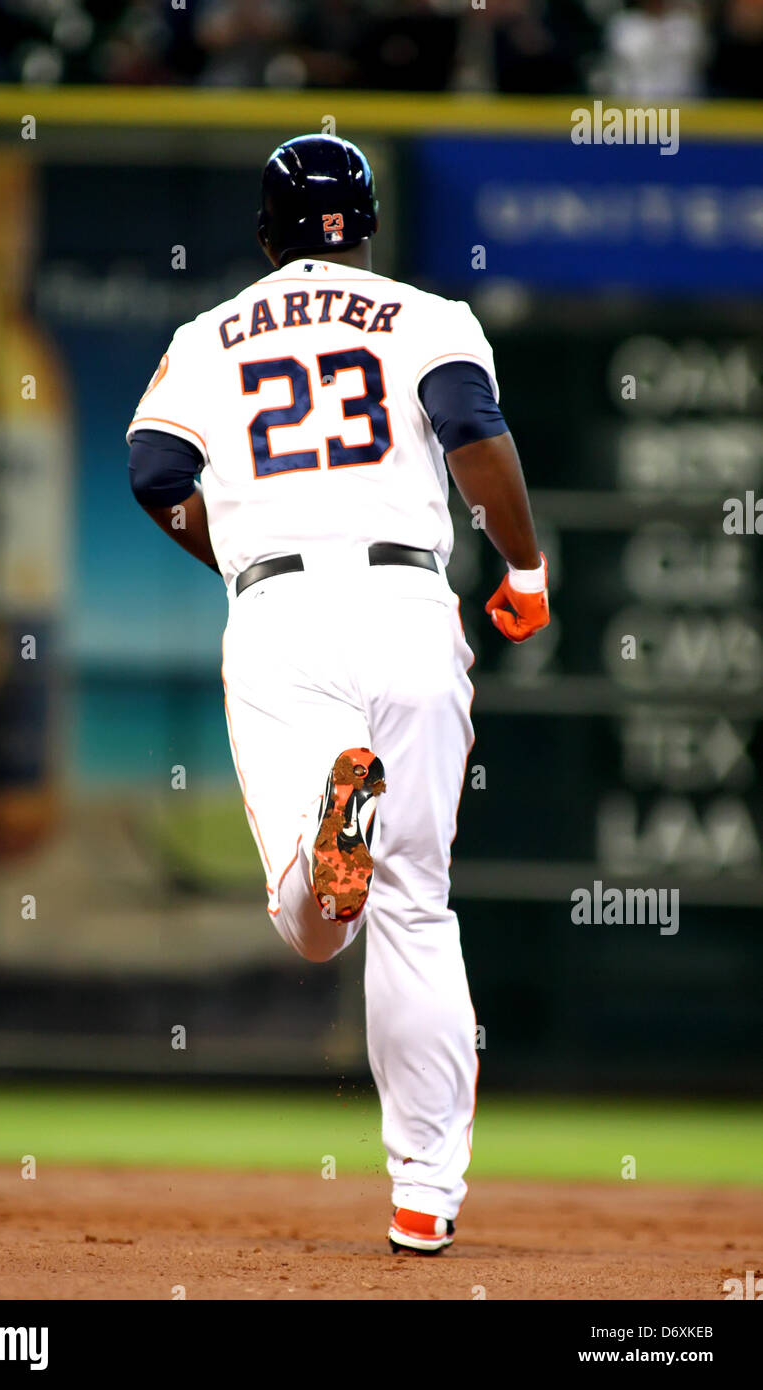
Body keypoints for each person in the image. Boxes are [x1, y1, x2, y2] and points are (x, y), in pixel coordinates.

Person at [127, 134, 549, 1253]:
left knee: (315, 931)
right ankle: (424, 1192)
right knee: (415, 904)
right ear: (361, 226)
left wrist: (235, 558)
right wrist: (524, 569)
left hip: (280, 618)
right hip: (408, 607)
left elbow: (154, 471)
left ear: (267, 233)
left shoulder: (206, 336)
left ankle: (323, 860)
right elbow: (473, 433)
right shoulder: (426, 317)